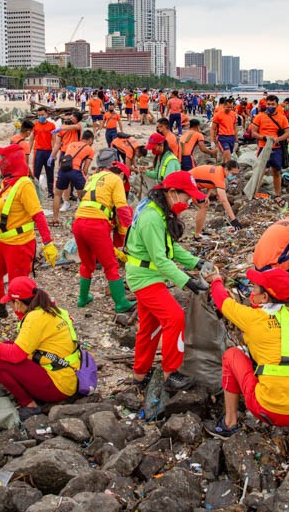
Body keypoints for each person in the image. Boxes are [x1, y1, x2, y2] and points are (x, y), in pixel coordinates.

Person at [202, 267, 289, 438]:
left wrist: (216, 280)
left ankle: (229, 423)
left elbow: (222, 301)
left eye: (255, 288)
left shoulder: (253, 318)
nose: (252, 291)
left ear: (265, 297)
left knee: (232, 355)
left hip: (270, 410)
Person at [125, 171, 210, 393]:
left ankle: (139, 375)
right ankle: (171, 373)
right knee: (174, 318)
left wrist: (196, 263)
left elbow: (169, 248)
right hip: (145, 277)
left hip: (145, 273)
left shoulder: (157, 209)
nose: (189, 202)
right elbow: (160, 259)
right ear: (172, 193)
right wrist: (188, 282)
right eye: (186, 197)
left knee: (149, 327)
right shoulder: (152, 217)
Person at [0, 277, 82, 420]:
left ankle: (29, 405)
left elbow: (16, 355)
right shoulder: (50, 308)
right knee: (8, 345)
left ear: (18, 302)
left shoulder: (35, 318)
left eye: (11, 303)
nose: (12, 307)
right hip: (69, 373)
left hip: (59, 386)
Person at [0, 145, 58, 317]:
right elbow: (4, 209)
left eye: (2, 159)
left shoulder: (24, 184)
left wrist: (48, 243)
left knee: (19, 288)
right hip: (2, 242)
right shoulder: (8, 183)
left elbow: (38, 215)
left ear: (10, 162)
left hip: (19, 245)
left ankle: (25, 323)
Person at [73, 154, 135, 312]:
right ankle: (120, 303)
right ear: (121, 175)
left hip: (79, 221)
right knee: (110, 265)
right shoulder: (116, 180)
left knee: (87, 262)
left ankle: (83, 298)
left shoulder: (93, 177)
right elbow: (122, 208)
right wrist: (131, 234)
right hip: (97, 224)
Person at [250, 95, 289, 197]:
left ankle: (277, 194)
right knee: (260, 172)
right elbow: (253, 132)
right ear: (266, 104)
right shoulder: (259, 116)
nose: (270, 106)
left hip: (277, 148)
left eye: (273, 104)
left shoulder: (282, 118)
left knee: (277, 171)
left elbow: (287, 133)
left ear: (277, 105)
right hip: (263, 147)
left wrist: (278, 139)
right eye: (269, 104)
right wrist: (263, 137)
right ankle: (254, 193)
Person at [190, 162, 242, 238]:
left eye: (236, 175)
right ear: (226, 169)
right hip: (189, 183)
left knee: (204, 204)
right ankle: (197, 235)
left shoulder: (219, 170)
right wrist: (234, 220)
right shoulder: (219, 177)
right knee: (203, 207)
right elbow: (224, 201)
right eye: (233, 174)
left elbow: (211, 182)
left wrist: (206, 196)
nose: (234, 177)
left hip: (193, 181)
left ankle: (198, 232)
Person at [55, 130, 95, 217]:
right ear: (90, 140)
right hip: (76, 171)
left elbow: (67, 157)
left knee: (57, 195)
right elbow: (85, 169)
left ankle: (55, 218)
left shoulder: (71, 144)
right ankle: (81, 212)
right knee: (83, 194)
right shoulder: (90, 149)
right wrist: (84, 178)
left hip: (63, 168)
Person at [32, 107, 57, 200]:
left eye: (42, 115)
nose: (41, 117)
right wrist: (28, 150)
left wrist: (54, 153)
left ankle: (50, 192)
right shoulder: (35, 125)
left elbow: (54, 139)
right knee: (36, 173)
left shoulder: (52, 126)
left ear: (46, 115)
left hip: (49, 152)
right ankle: (34, 192)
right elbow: (32, 138)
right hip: (38, 151)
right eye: (39, 115)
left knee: (50, 172)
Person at [211, 99, 239, 164]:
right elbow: (212, 128)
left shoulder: (233, 114)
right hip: (222, 137)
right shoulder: (218, 115)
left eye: (231, 107)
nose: (230, 109)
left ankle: (221, 169)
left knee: (225, 158)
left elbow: (235, 128)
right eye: (228, 107)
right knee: (228, 156)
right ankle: (229, 173)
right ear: (224, 105)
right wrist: (212, 141)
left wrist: (236, 140)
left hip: (231, 137)